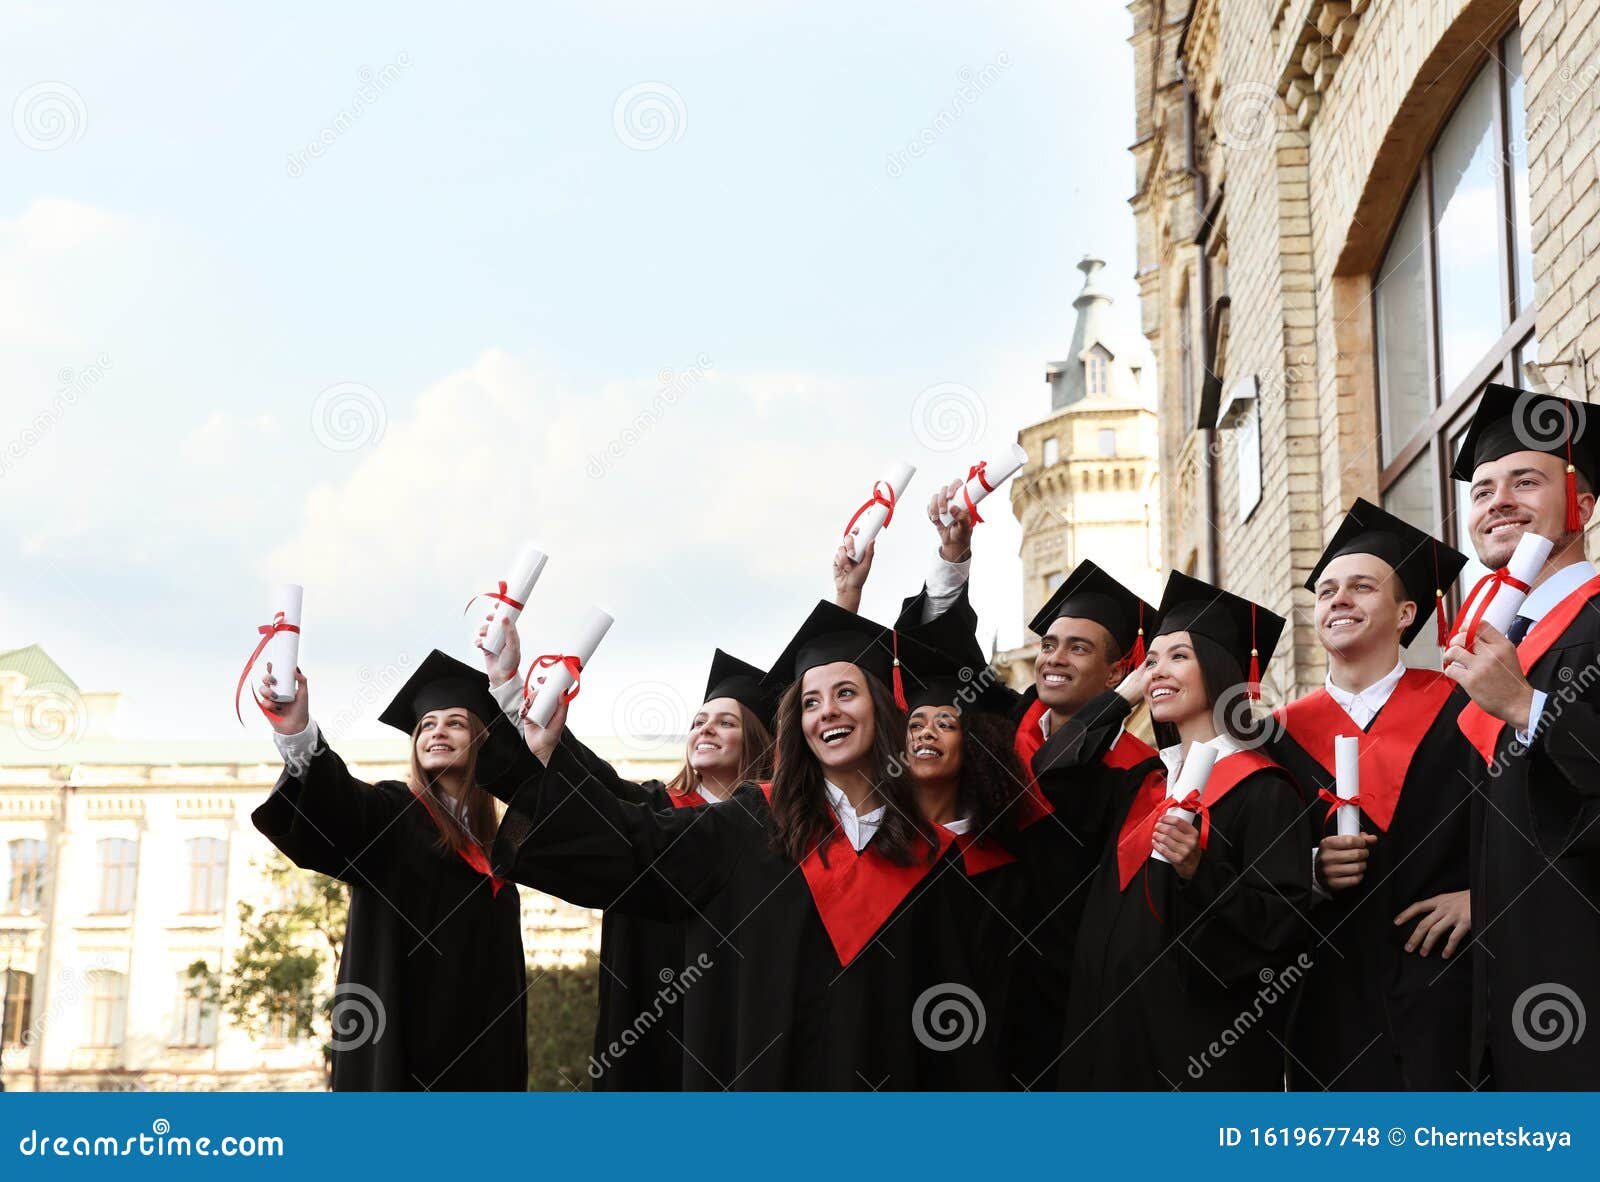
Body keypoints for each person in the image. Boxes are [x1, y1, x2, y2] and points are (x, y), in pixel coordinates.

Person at [492, 601, 1011, 1089]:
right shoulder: (751, 823)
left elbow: (958, 1027)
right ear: (798, 726)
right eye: (811, 702)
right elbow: (636, 847)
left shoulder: (930, 857)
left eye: (845, 694)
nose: (827, 711)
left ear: (880, 708)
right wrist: (536, 749)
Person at [1039, 573, 1314, 1089]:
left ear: (1219, 668)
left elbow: (1281, 927)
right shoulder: (1141, 785)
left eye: (1178, 657)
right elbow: (1052, 767)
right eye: (1151, 660)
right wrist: (1124, 694)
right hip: (1103, 1039)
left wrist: (1199, 869)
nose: (1158, 672)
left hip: (1196, 1053)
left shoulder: (1264, 790)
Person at [482, 612, 777, 1090]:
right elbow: (586, 782)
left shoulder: (775, 830)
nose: (705, 730)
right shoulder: (653, 808)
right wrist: (510, 686)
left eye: (726, 723)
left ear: (759, 743)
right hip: (650, 1022)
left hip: (741, 1017)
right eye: (699, 721)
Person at [252, 650, 533, 1091]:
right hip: (400, 1067)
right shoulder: (392, 815)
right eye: (427, 725)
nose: (437, 731)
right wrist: (297, 732)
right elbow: (339, 805)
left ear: (481, 739)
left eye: (455, 723)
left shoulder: (501, 854)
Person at [1271, 499, 1476, 1090]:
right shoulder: (1276, 736)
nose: (1339, 599)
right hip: (1328, 1001)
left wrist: (1485, 895)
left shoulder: (1465, 708)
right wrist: (1310, 868)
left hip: (1450, 985)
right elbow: (1249, 863)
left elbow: (1523, 819)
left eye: (1362, 586)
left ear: (1407, 611)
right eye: (1328, 589)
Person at [1443, 383, 1600, 1089]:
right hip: (1502, 981)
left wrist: (1528, 706)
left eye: (1525, 481)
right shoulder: (1491, 640)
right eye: (1481, 490)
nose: (1497, 500)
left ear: (1583, 505)